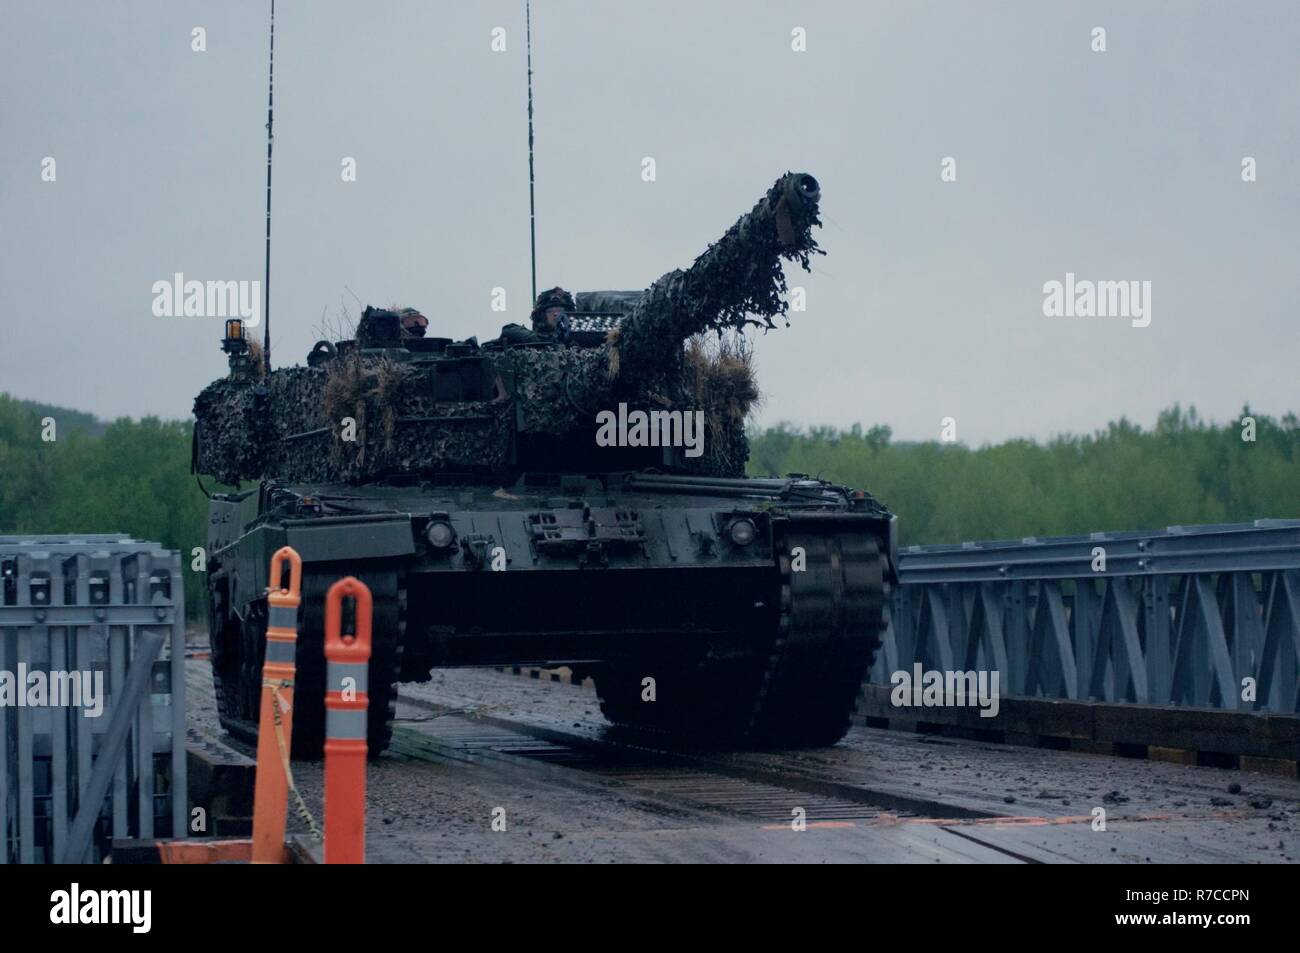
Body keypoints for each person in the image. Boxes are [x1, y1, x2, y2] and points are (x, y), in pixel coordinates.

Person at [494, 287, 574, 346]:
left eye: (560, 310)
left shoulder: (573, 341)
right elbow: (508, 331)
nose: (556, 314)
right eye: (550, 311)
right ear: (542, 316)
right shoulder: (533, 339)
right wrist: (548, 339)